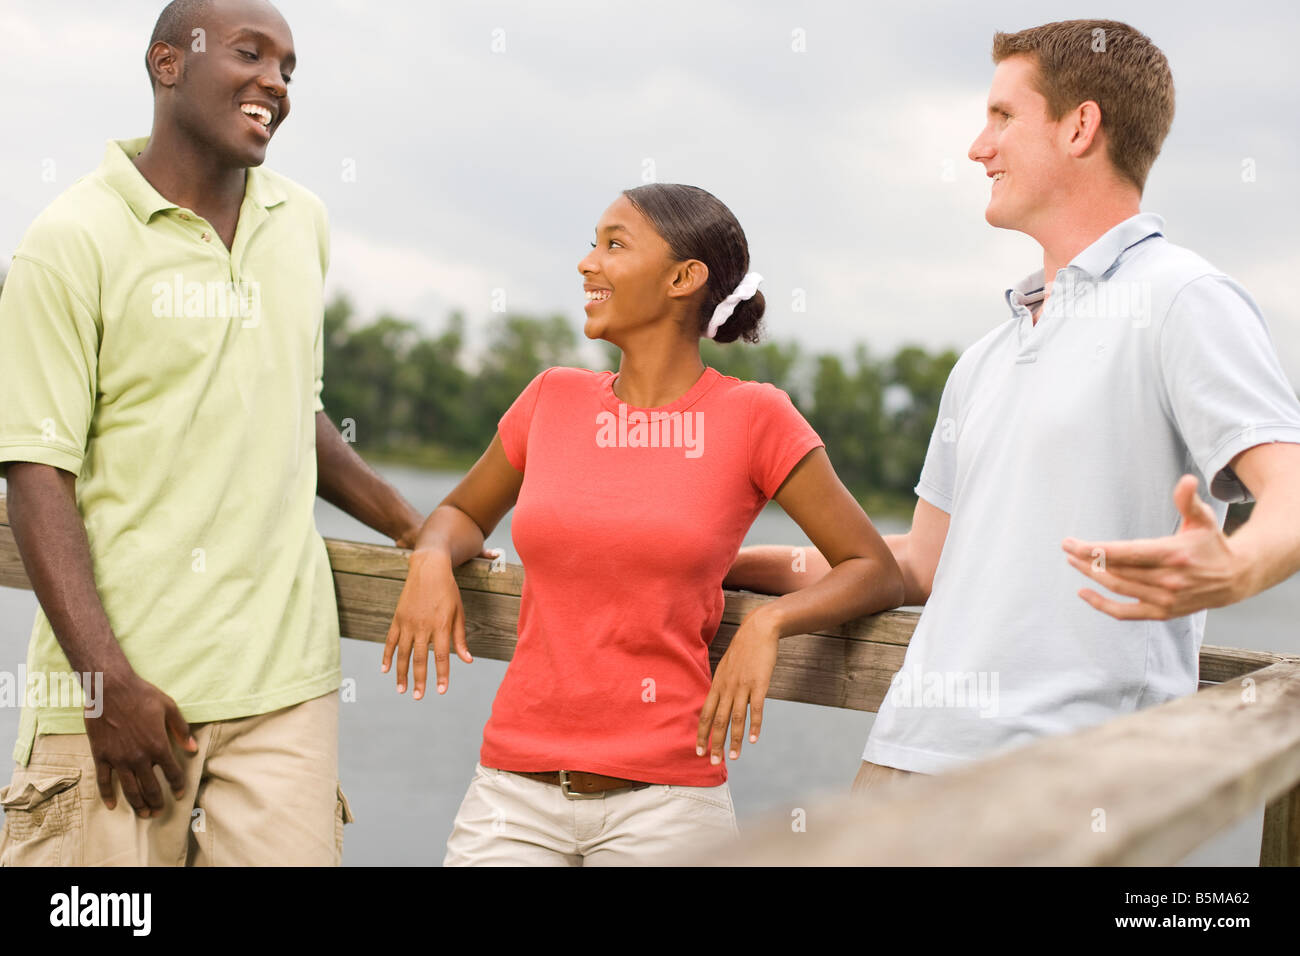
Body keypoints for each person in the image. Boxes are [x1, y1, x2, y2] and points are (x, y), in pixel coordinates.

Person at [726, 19, 1300, 795]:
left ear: (1080, 127)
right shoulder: (984, 359)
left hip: (1061, 780)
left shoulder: (1183, 297)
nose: (977, 147)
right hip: (901, 756)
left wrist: (1234, 568)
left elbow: (1290, 494)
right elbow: (918, 564)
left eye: (1002, 117)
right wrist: (724, 569)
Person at [0, 0, 430, 865]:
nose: (274, 81)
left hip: (285, 689)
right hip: (123, 691)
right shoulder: (70, 240)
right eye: (250, 54)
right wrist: (103, 682)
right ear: (168, 64)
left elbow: (294, 413)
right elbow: (35, 471)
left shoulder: (298, 221)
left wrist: (416, 527)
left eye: (288, 68)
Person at [381, 183, 905, 865]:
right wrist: (428, 558)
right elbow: (459, 514)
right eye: (592, 243)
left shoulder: (756, 418)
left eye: (613, 244)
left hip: (666, 808)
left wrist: (768, 624)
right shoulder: (551, 398)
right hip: (511, 798)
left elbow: (874, 570)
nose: (586, 264)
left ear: (684, 279)